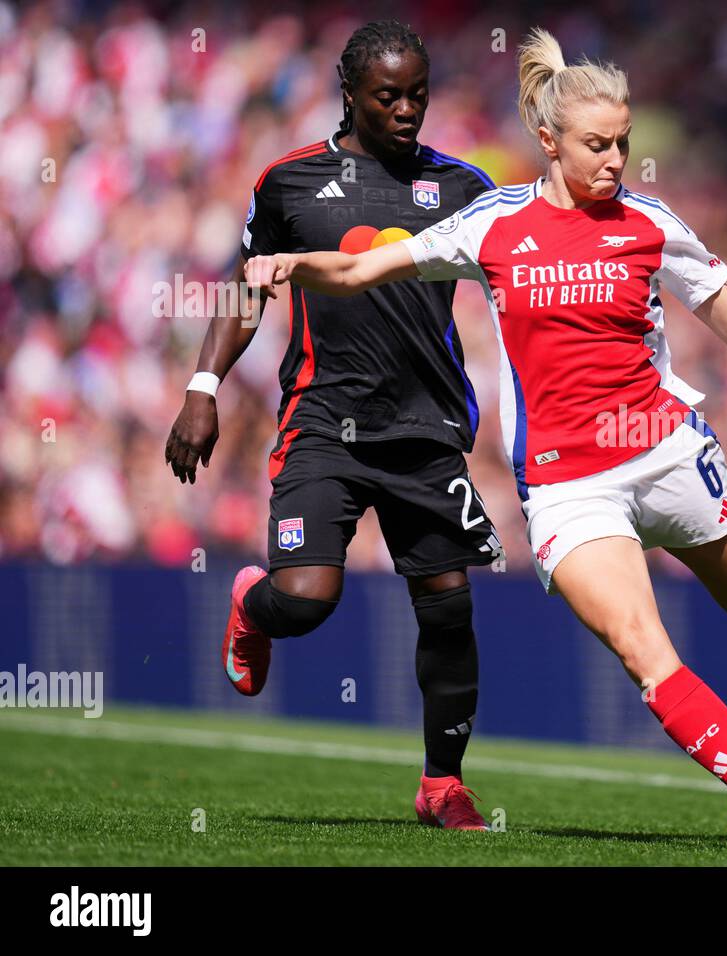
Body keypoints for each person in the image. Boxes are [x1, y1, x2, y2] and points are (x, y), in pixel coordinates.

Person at [242, 27, 727, 850]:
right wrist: (289, 265)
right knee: (646, 651)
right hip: (571, 488)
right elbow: (361, 269)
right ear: (549, 142)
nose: (616, 161)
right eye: (597, 145)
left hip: (666, 450)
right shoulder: (493, 224)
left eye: (624, 144)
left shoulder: (649, 223)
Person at [164, 20, 503, 830]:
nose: (408, 110)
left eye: (419, 94)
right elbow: (246, 290)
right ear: (350, 93)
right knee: (308, 600)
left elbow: (520, 274)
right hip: (324, 420)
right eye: (390, 96)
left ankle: (442, 784)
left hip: (425, 428)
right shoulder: (289, 182)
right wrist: (203, 386)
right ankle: (255, 605)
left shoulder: (463, 187)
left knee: (448, 608)